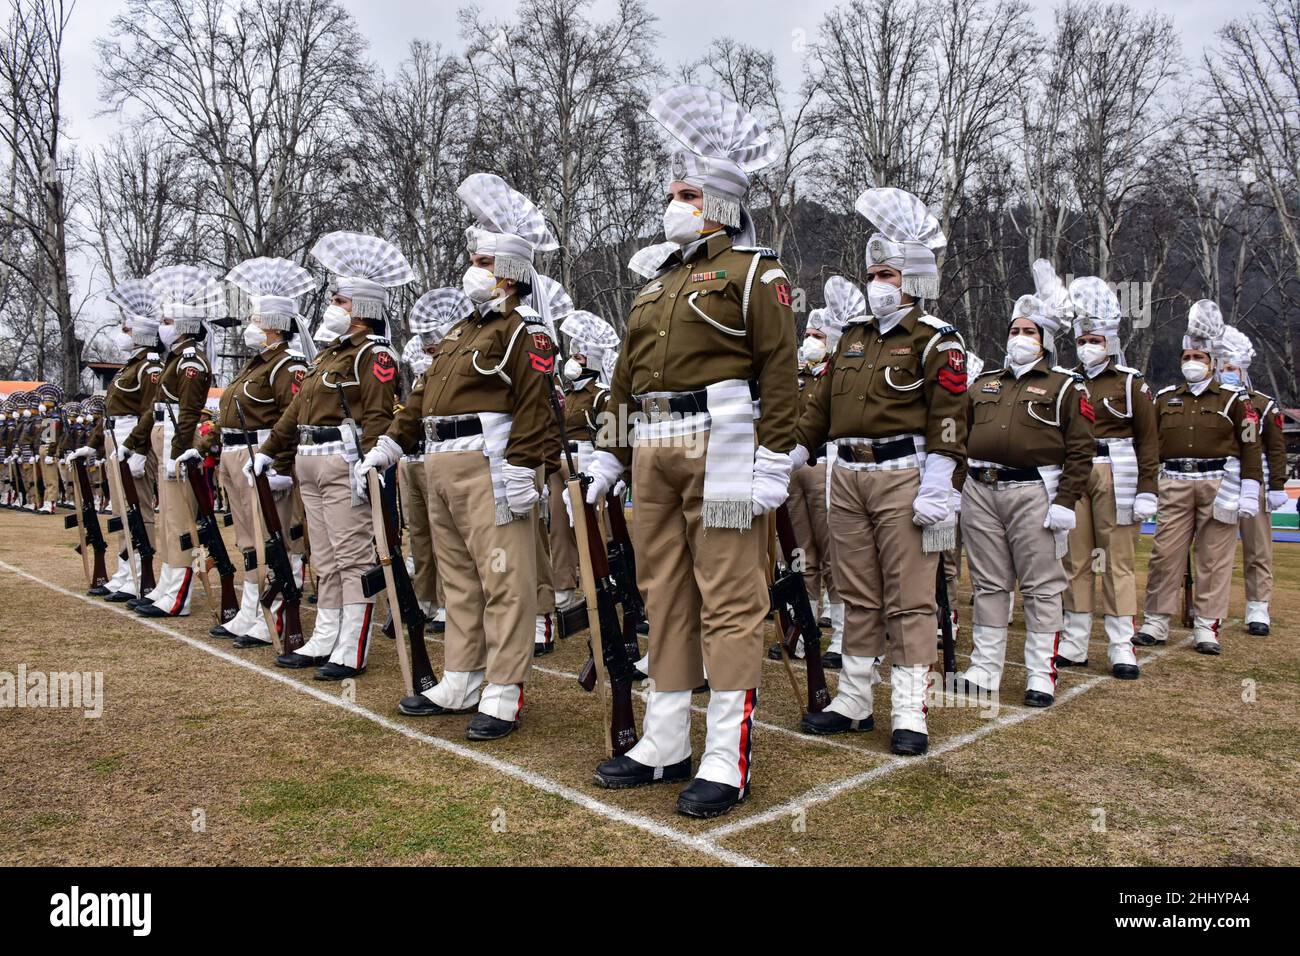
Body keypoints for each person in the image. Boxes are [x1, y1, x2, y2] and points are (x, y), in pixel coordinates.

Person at [584, 85, 798, 817]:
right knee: (663, 592)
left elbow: (781, 372)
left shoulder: (754, 274)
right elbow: (623, 379)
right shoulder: (655, 287)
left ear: (721, 204)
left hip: (726, 443)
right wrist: (609, 453)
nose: (672, 202)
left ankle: (724, 755)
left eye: (685, 192)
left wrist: (776, 461)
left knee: (731, 597)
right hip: (653, 443)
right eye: (673, 191)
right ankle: (666, 739)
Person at [354, 174, 558, 741]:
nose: (473, 269)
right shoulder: (459, 331)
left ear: (511, 272)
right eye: (473, 259)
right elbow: (420, 396)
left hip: (487, 461)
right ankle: (464, 676)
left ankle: (504, 687)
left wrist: (521, 467)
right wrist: (391, 443)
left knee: (502, 579)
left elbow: (536, 405)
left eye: (484, 261)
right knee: (458, 579)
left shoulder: (526, 331)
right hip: (441, 459)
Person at [791, 188, 966, 754]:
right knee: (857, 591)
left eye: (887, 273)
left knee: (911, 596)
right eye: (872, 273)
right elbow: (819, 410)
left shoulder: (938, 340)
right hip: (845, 475)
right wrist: (789, 454)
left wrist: (939, 482)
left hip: (904, 474)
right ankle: (856, 698)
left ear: (912, 279)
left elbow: (949, 415)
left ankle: (911, 707)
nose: (877, 282)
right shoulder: (854, 339)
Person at [249, 232, 412, 680]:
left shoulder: (374, 354)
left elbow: (379, 414)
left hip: (343, 459)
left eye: (340, 300)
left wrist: (374, 462)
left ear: (362, 309)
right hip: (308, 456)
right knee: (323, 555)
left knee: (351, 554)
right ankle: (326, 634)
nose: (332, 305)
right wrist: (268, 452)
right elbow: (294, 414)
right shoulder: (325, 358)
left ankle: (351, 644)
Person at [957, 265, 1094, 707]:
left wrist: (1066, 501)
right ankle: (984, 668)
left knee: (1041, 586)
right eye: (1015, 328)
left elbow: (1081, 450)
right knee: (988, 584)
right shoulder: (983, 384)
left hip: (1034, 491)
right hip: (980, 488)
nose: (1019, 336)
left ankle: (1040, 673)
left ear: (1045, 339)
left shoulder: (1066, 386)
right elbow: (958, 436)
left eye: (1029, 330)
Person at [1134, 303, 1263, 654]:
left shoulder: (1234, 399)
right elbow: (1149, 446)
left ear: (1213, 362)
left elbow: (1250, 445)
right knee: (1165, 553)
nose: (1193, 361)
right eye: (1187, 355)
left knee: (1213, 558)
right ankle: (1156, 621)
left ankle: (1207, 626)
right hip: (1174, 481)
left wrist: (1250, 489)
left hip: (1218, 483)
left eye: (1200, 356)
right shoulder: (1164, 399)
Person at [1055, 274, 1158, 680]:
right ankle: (1076, 642)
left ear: (1109, 341)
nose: (1087, 347)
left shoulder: (1130, 382)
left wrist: (1148, 488)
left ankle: (1120, 646)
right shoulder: (1068, 381)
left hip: (1117, 470)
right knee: (1074, 560)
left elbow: (1149, 441)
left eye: (1094, 340)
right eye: (1081, 340)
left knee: (1117, 561)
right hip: (1075, 470)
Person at [212, 257, 314, 648]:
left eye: (256, 319)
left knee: (273, 538)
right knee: (248, 540)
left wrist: (283, 466)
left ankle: (274, 609)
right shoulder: (258, 364)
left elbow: (293, 416)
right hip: (239, 454)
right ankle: (250, 607)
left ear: (274, 323)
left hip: (265, 455)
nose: (250, 326)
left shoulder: (288, 367)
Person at [770, 277, 860, 669]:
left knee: (834, 554)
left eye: (818, 334)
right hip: (795, 467)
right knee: (799, 553)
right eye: (807, 333)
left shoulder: (839, 373)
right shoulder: (797, 375)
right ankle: (805, 631)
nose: (810, 339)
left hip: (827, 465)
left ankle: (842, 636)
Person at [122, 266, 222, 618]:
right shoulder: (175, 359)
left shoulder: (191, 362)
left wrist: (177, 454)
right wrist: (135, 444)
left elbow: (190, 412)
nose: (161, 326)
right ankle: (166, 583)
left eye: (167, 320)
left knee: (181, 519)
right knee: (168, 518)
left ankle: (178, 593)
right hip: (166, 434)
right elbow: (156, 406)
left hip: (179, 436)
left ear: (182, 325)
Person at [69, 280, 165, 602]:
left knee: (139, 510)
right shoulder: (130, 367)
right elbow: (110, 412)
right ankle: (127, 571)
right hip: (115, 437)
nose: (121, 332)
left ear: (141, 334)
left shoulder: (150, 367)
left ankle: (141, 571)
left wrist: (139, 450)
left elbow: (151, 411)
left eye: (127, 328)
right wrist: (93, 444)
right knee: (121, 510)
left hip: (132, 441)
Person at [400, 288, 478, 631]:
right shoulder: (424, 377)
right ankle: (426, 597)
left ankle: (451, 602)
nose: (429, 351)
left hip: (455, 455)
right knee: (421, 534)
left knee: (455, 539)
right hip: (418, 458)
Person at [1217, 326, 1289, 636]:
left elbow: (1275, 447)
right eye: (1221, 367)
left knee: (1258, 548)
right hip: (1219, 480)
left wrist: (1276, 484)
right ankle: (1210, 608)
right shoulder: (1212, 402)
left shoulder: (1262, 403)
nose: (1225, 372)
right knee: (1215, 549)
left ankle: (1258, 607)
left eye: (1231, 367)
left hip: (1253, 480)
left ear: (1243, 368)